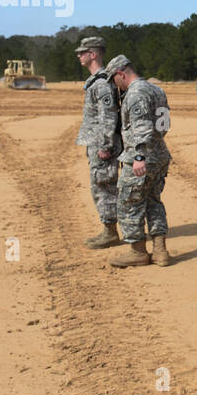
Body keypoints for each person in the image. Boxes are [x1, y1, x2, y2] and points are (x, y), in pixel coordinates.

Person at [105, 55, 173, 268]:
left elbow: (141, 127)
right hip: (160, 155)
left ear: (120, 74)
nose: (114, 85)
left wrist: (139, 157)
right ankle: (160, 251)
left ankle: (138, 252)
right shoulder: (156, 90)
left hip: (141, 158)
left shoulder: (135, 94)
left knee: (128, 202)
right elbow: (164, 124)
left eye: (113, 79)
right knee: (153, 200)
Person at [74, 36, 122, 249]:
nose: (79, 55)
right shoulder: (97, 81)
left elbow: (108, 116)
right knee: (100, 185)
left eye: (82, 52)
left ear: (93, 54)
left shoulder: (101, 83)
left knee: (104, 186)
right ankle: (109, 228)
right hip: (96, 142)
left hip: (102, 145)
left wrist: (105, 145)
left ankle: (111, 232)